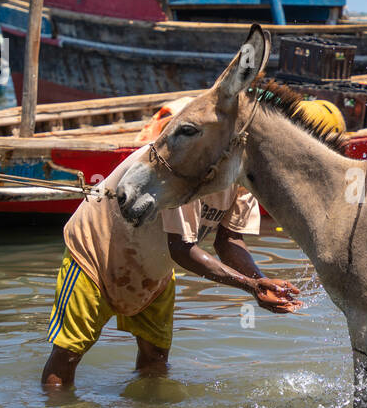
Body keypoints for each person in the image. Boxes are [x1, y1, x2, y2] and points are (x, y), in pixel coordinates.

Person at [41, 101, 301, 386]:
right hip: (97, 254)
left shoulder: (241, 178)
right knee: (68, 354)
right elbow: (182, 249)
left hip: (153, 267)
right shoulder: (180, 169)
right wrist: (249, 287)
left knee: (156, 359)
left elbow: (228, 242)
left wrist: (261, 281)